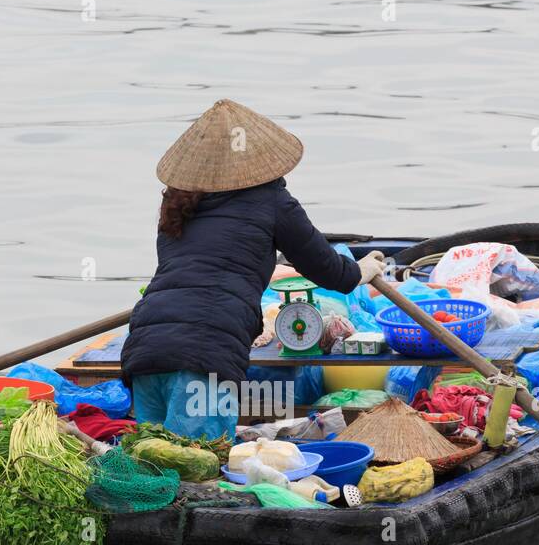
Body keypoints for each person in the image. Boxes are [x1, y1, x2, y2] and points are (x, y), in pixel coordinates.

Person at [120, 99, 386, 441]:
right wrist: (360, 270)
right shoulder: (272, 200)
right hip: (204, 357)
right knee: (199, 467)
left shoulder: (176, 204)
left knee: (152, 462)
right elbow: (330, 271)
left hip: (145, 348)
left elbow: (195, 265)